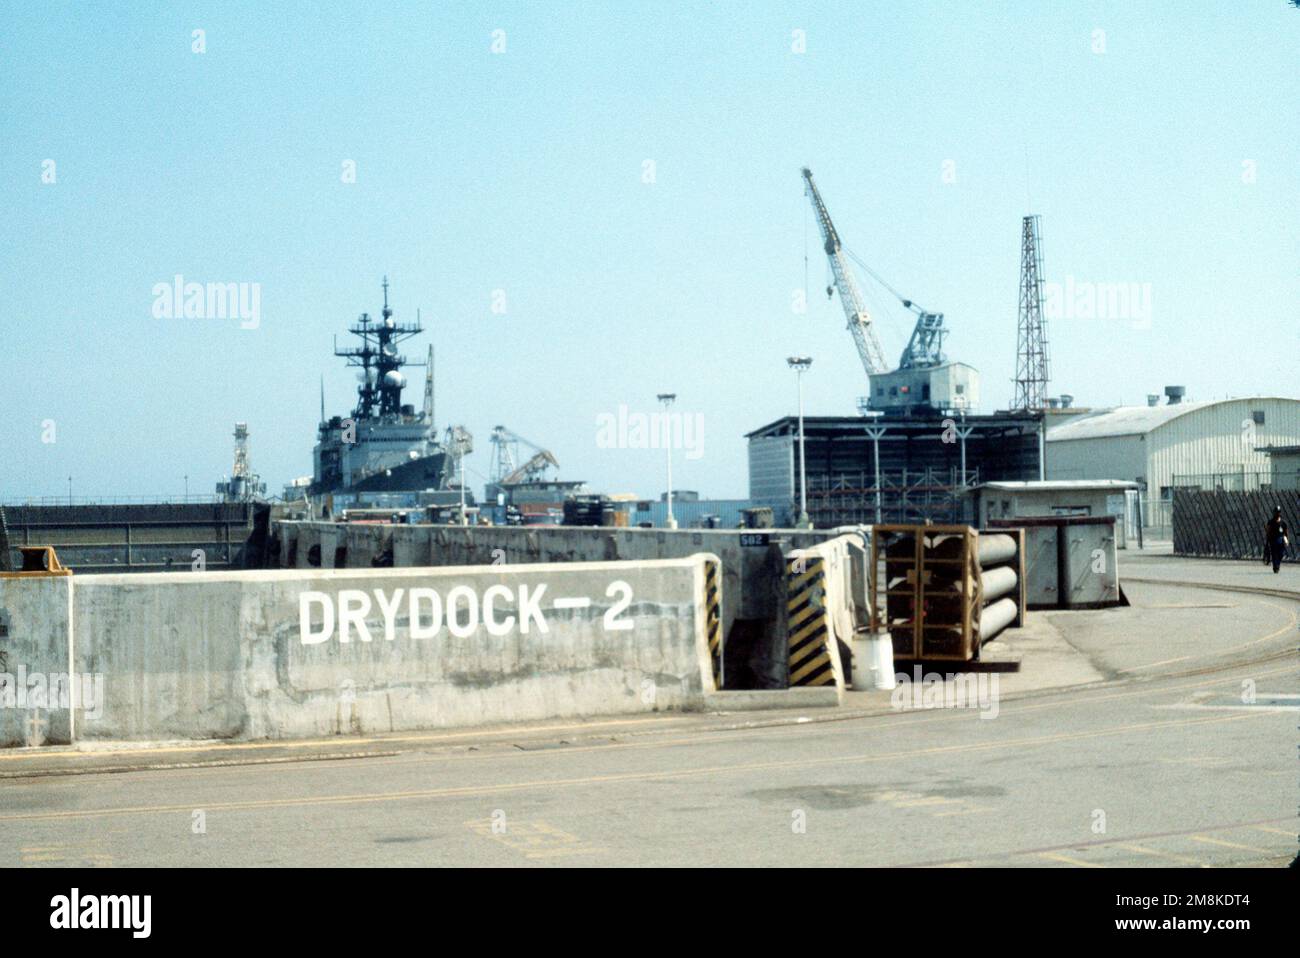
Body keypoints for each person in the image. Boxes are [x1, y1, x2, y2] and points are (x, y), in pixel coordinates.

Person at [1263, 507, 1290, 574]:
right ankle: (1276, 567)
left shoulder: (1283, 523)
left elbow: (1286, 532)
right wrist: (1267, 541)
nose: (1277, 514)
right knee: (1274, 554)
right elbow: (1268, 531)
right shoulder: (1271, 522)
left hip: (1281, 540)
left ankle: (1277, 564)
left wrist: (1287, 540)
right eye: (1276, 512)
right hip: (1273, 540)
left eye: (1278, 512)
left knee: (1281, 554)